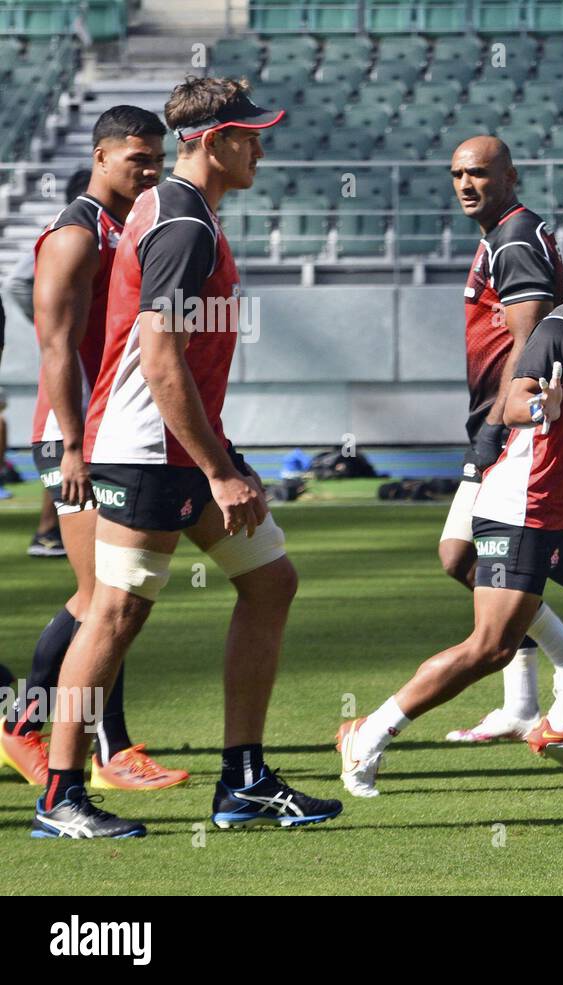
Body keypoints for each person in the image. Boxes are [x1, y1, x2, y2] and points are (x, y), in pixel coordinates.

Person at [31, 77, 342, 838]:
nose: (260, 147)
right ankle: (60, 794)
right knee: (114, 611)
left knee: (270, 581)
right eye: (250, 135)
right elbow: (161, 359)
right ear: (212, 142)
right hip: (145, 450)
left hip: (177, 445)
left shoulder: (177, 210)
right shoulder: (182, 224)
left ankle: (243, 779)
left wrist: (222, 455)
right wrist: (220, 469)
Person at [337, 221, 563, 796]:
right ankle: (368, 731)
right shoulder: (562, 328)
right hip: (518, 508)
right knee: (490, 647)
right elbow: (514, 403)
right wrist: (545, 404)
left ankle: (561, 726)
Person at [0, 111, 189, 793]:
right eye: (136, 158)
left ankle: (28, 722)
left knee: (104, 596)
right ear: (100, 156)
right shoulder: (77, 234)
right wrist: (73, 446)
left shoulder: (127, 227)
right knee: (103, 596)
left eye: (157, 158)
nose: (150, 170)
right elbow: (55, 347)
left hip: (106, 433)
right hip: (74, 433)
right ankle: (98, 751)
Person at [438, 135, 563, 747]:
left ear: (510, 174)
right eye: (456, 175)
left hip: (509, 432)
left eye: (477, 173)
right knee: (469, 561)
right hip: (499, 426)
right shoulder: (503, 235)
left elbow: (531, 346)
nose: (466, 184)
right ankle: (523, 704)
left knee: (463, 558)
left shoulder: (515, 238)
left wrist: (497, 430)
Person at [1, 172, 82, 556]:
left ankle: (58, 531)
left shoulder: (111, 229)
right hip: (73, 358)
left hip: (96, 358)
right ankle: (50, 530)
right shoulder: (65, 231)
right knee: (65, 436)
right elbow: (17, 283)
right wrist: (51, 322)